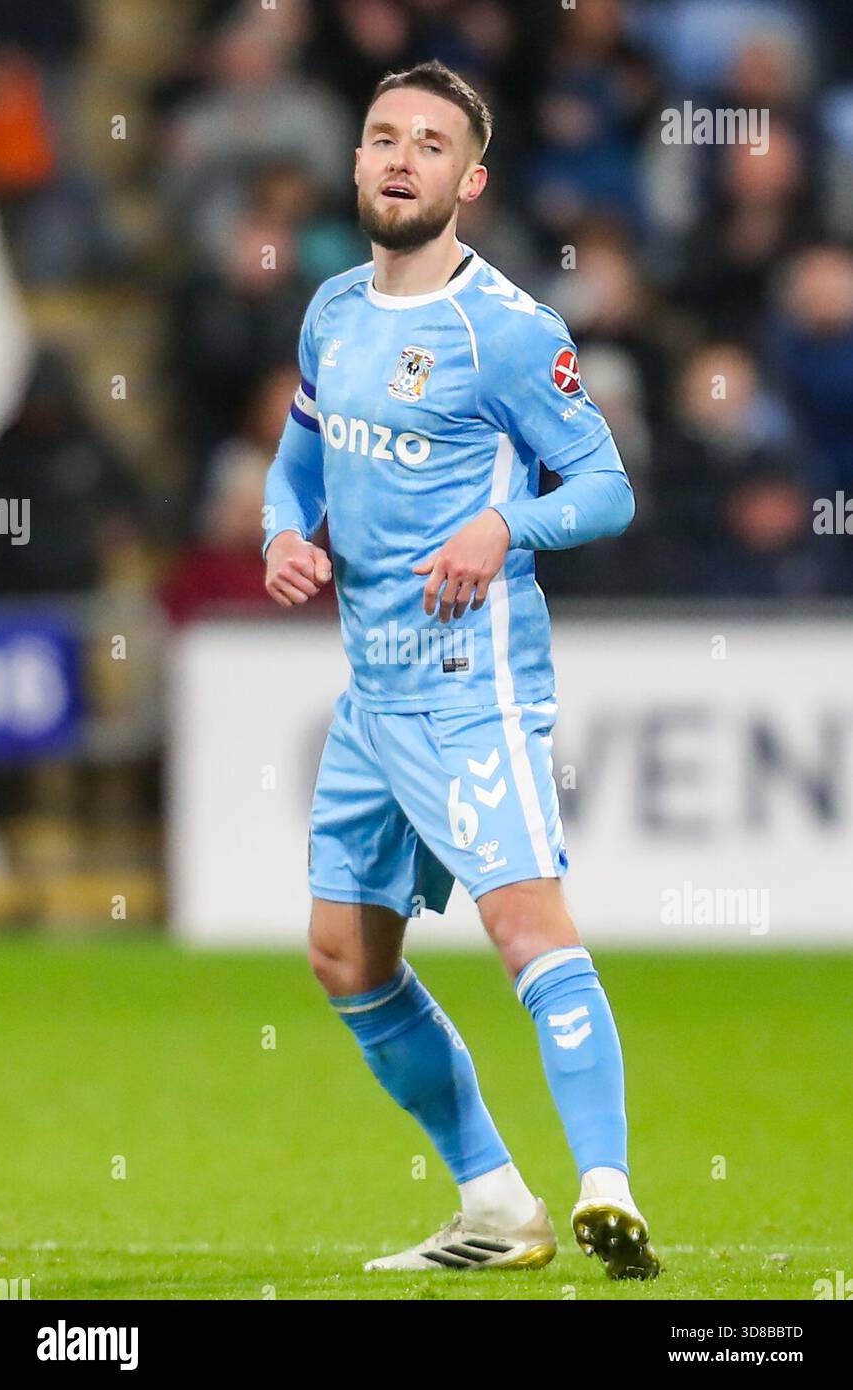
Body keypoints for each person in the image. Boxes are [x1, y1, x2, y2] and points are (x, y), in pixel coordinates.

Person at [262, 59, 659, 1279]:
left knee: (525, 926)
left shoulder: (507, 330)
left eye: (430, 144)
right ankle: (494, 1199)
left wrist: (504, 526)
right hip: (370, 698)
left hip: (470, 682)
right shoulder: (330, 309)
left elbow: (604, 488)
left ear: (468, 180)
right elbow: (300, 457)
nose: (399, 157)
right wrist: (286, 526)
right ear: (356, 161)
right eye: (383, 135)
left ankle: (608, 1187)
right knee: (343, 957)